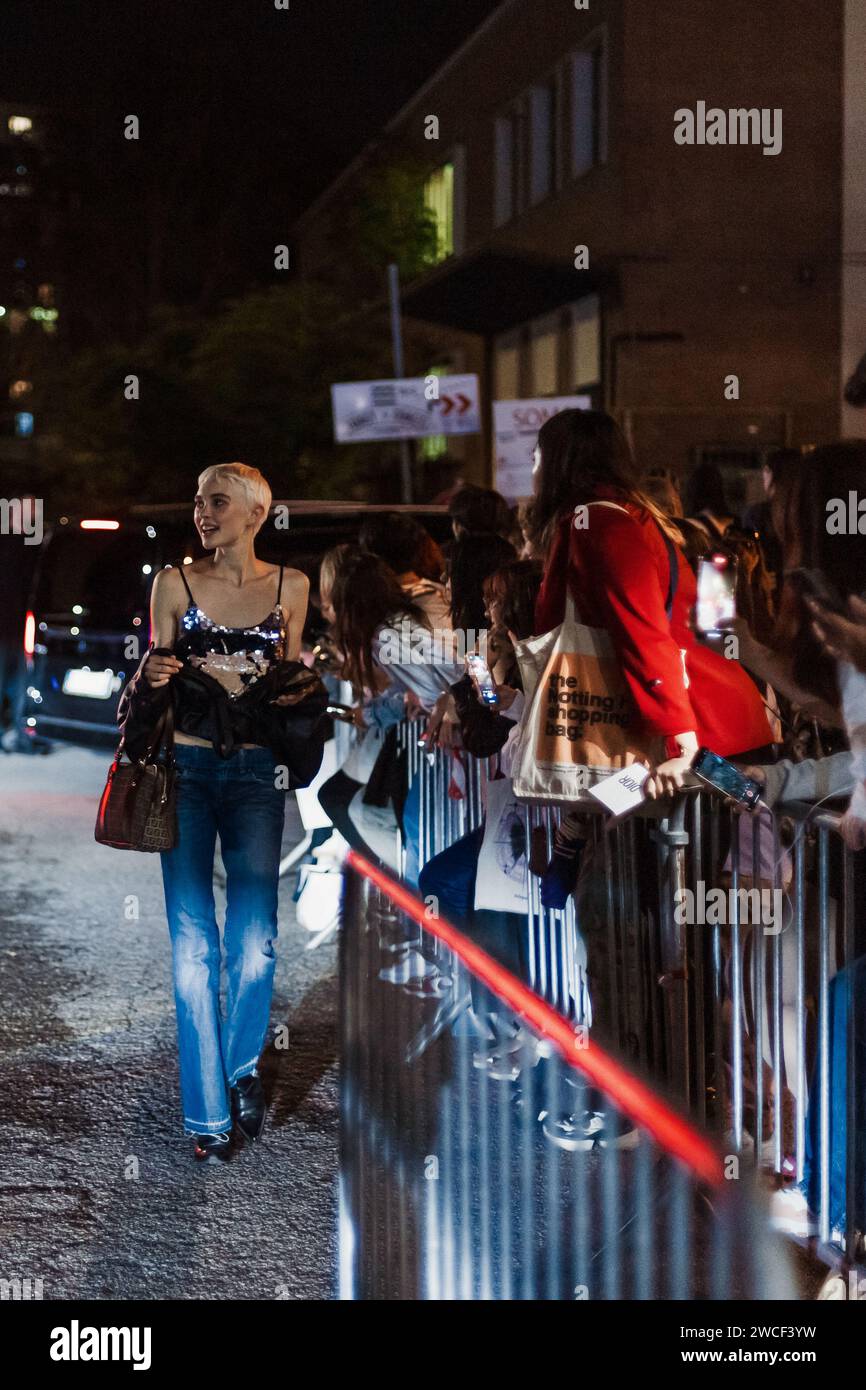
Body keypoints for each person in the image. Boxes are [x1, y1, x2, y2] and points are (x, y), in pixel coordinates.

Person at [116, 462, 325, 1165]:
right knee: (193, 945)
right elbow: (153, 672)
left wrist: (299, 687)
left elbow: (293, 688)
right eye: (199, 499)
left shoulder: (292, 586)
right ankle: (206, 1115)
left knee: (258, 937)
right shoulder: (172, 583)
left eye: (218, 501)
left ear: (257, 513)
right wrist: (150, 672)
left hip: (257, 776)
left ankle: (240, 1070)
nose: (202, 512)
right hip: (188, 769)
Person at [529, 410, 775, 804]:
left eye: (536, 458)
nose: (533, 472)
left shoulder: (601, 522)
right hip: (704, 724)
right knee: (743, 840)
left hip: (696, 731)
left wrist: (682, 739)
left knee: (736, 847)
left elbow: (642, 630)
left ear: (561, 462)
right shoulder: (617, 517)